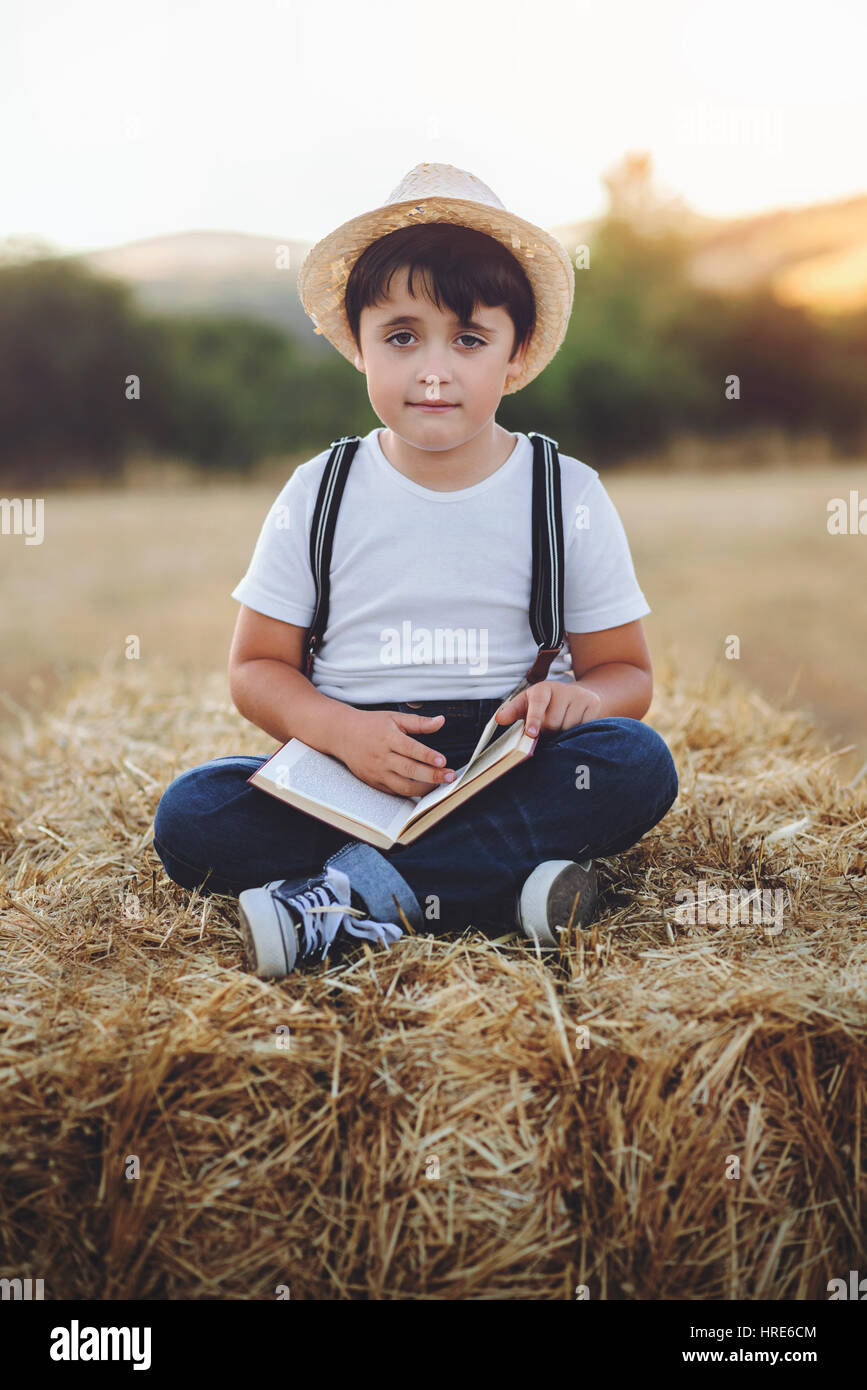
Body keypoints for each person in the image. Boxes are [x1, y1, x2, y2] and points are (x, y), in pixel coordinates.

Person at [152, 162, 679, 979]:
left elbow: (625, 674)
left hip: (504, 762)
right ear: (357, 345)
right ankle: (502, 892)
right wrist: (339, 732)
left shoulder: (562, 491)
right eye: (401, 337)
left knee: (634, 762)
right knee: (193, 814)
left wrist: (579, 697)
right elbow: (257, 667)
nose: (433, 370)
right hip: (348, 764)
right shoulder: (318, 489)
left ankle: (341, 901)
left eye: (468, 339)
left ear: (517, 352)